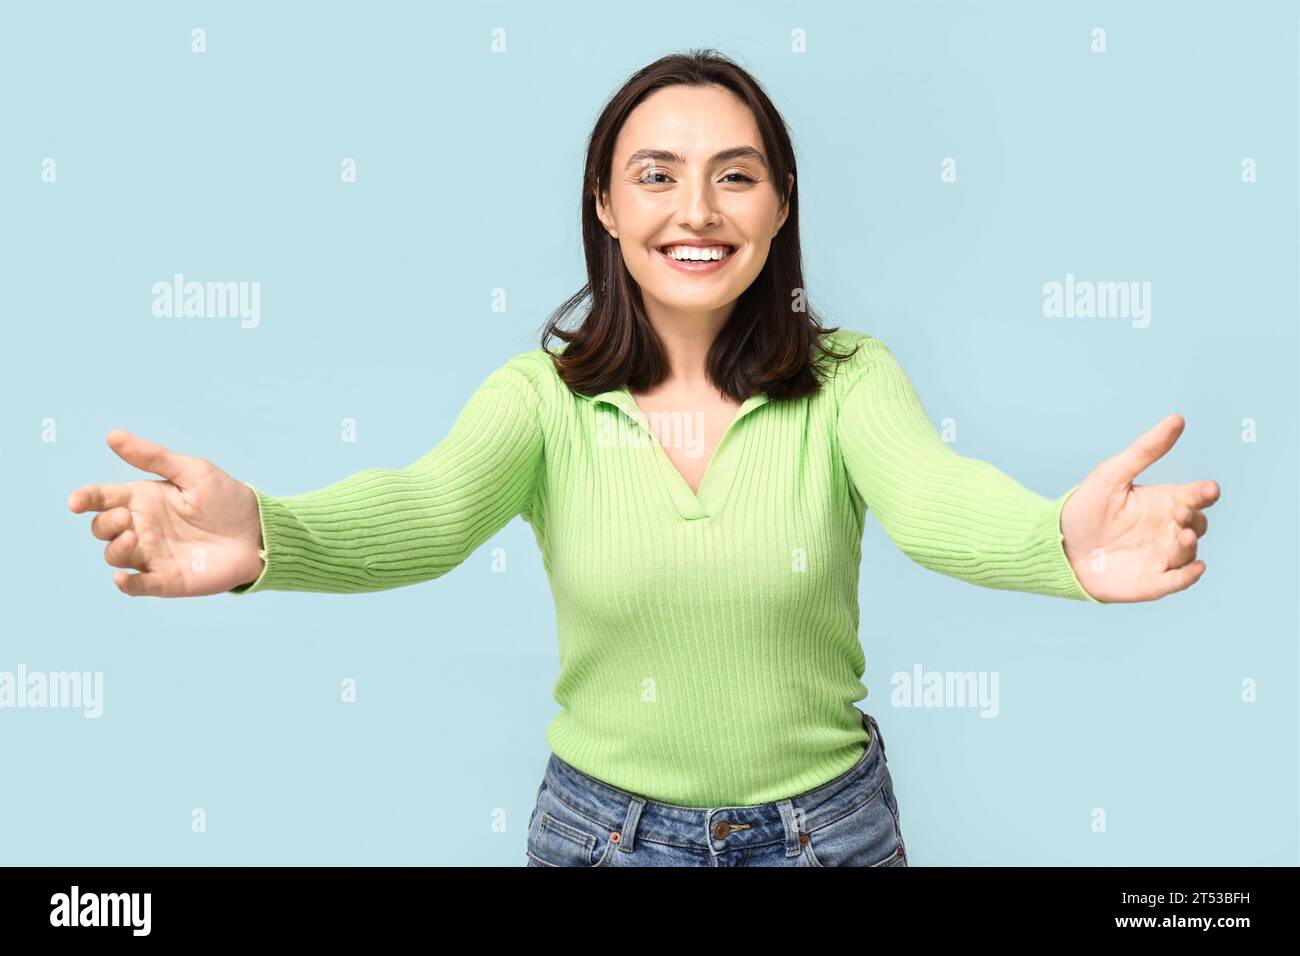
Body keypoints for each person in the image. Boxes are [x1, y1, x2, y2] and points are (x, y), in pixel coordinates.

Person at [66, 49, 1219, 867]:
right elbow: (424, 510)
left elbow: (930, 499)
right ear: (607, 207)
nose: (697, 208)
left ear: (777, 206)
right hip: (601, 839)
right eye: (656, 173)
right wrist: (269, 533)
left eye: (736, 172)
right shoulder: (542, 400)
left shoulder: (849, 379)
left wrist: (1053, 542)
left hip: (827, 834)